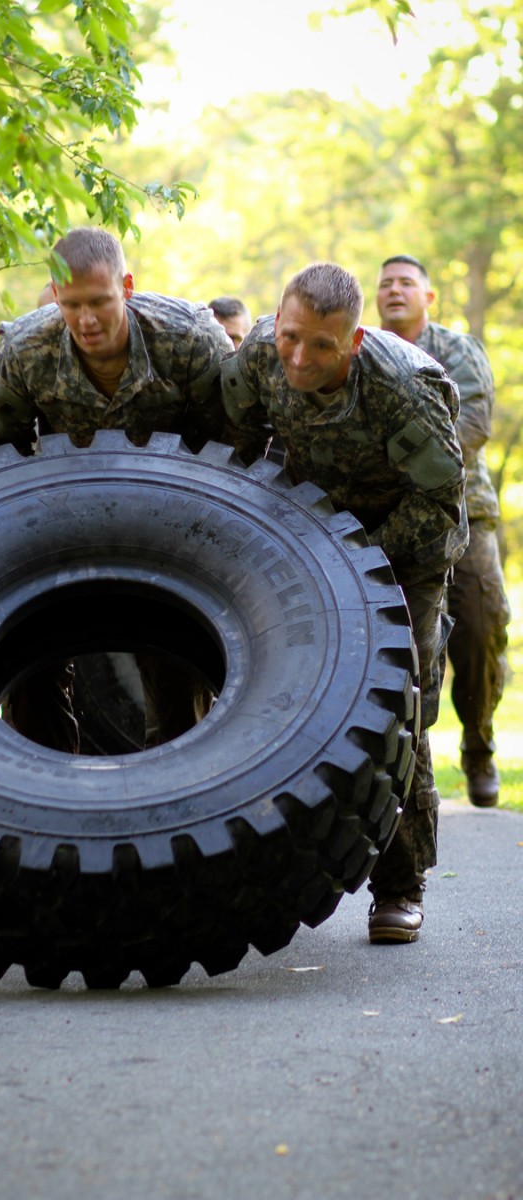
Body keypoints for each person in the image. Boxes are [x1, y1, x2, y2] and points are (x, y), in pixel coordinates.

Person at [221, 262, 467, 945]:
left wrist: (358, 555)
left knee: (400, 711)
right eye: (291, 337)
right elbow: (233, 446)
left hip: (404, 550)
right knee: (273, 699)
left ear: (353, 341)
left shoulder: (402, 389)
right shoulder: (259, 354)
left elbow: (440, 506)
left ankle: (400, 887)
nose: (299, 358)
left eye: (321, 346)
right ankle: (274, 868)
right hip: (305, 536)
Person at [0, 226, 233, 747]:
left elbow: (229, 445)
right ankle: (47, 802)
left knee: (175, 684)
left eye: (99, 301)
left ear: (127, 287)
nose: (86, 321)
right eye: (70, 305)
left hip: (170, 532)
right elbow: (0, 448)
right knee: (30, 679)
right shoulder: (27, 349)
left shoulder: (187, 340)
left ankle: (173, 806)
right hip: (60, 530)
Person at [376, 254, 510, 807]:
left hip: (465, 513)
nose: (394, 290)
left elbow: (474, 426)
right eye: (385, 283)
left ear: (428, 297)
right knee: (404, 644)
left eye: (406, 282)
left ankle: (478, 745)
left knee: (481, 629)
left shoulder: (456, 349)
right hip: (393, 519)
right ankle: (409, 763)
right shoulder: (368, 354)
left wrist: (396, 453)